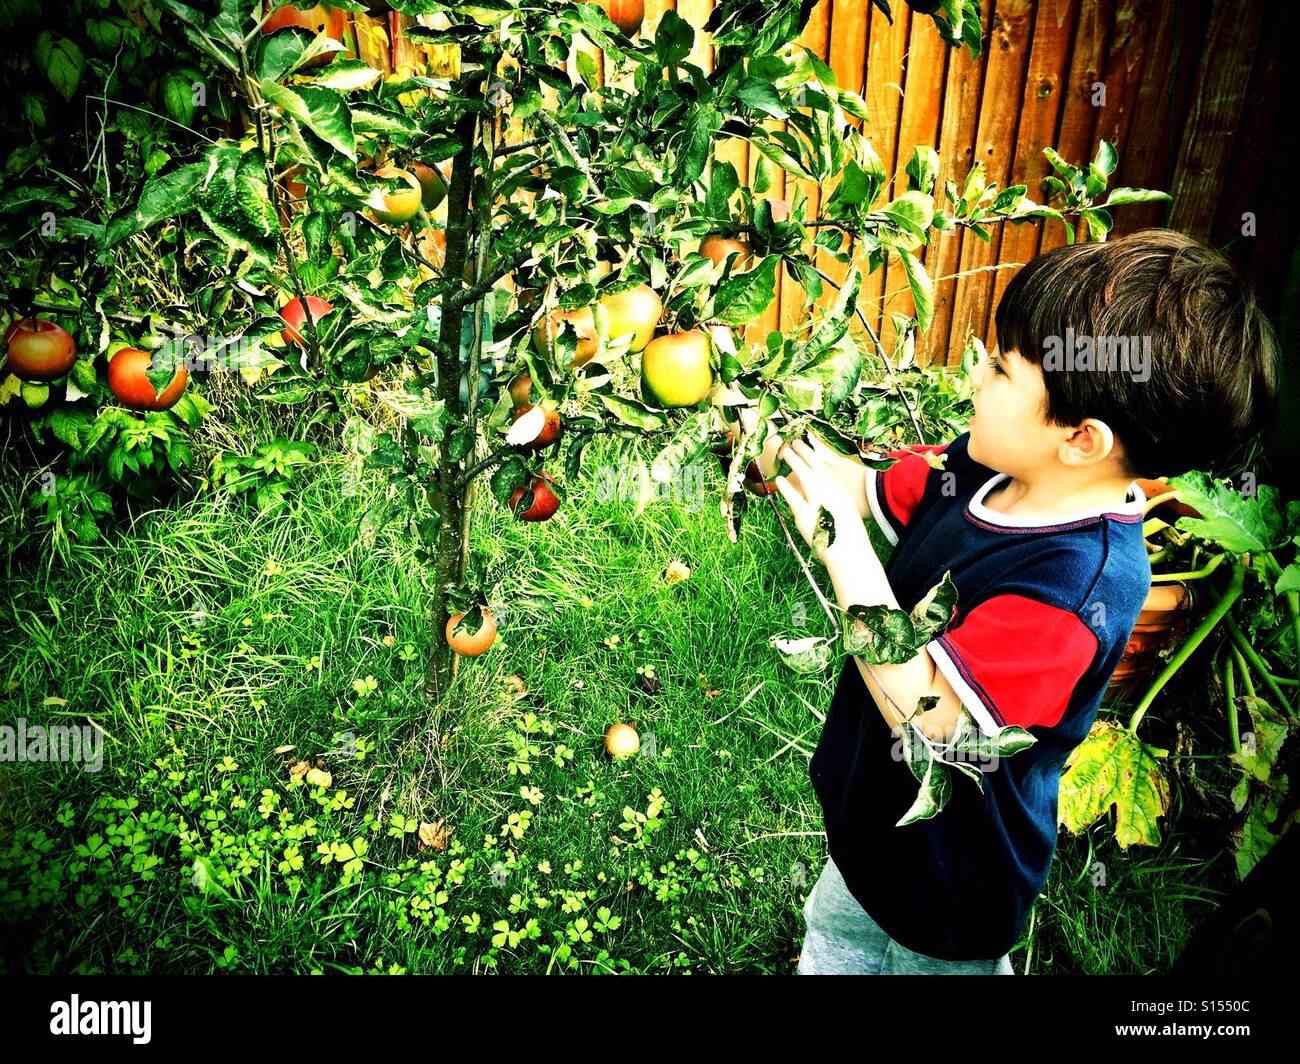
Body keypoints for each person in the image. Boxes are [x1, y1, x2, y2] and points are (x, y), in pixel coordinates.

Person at [777, 228, 1279, 975]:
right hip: (874, 820)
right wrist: (775, 439)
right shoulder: (985, 467)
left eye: (1000, 368)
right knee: (839, 939)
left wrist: (842, 548)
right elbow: (868, 489)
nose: (975, 374)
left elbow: (935, 720)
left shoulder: (1076, 588)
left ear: (1080, 439)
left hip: (955, 874)